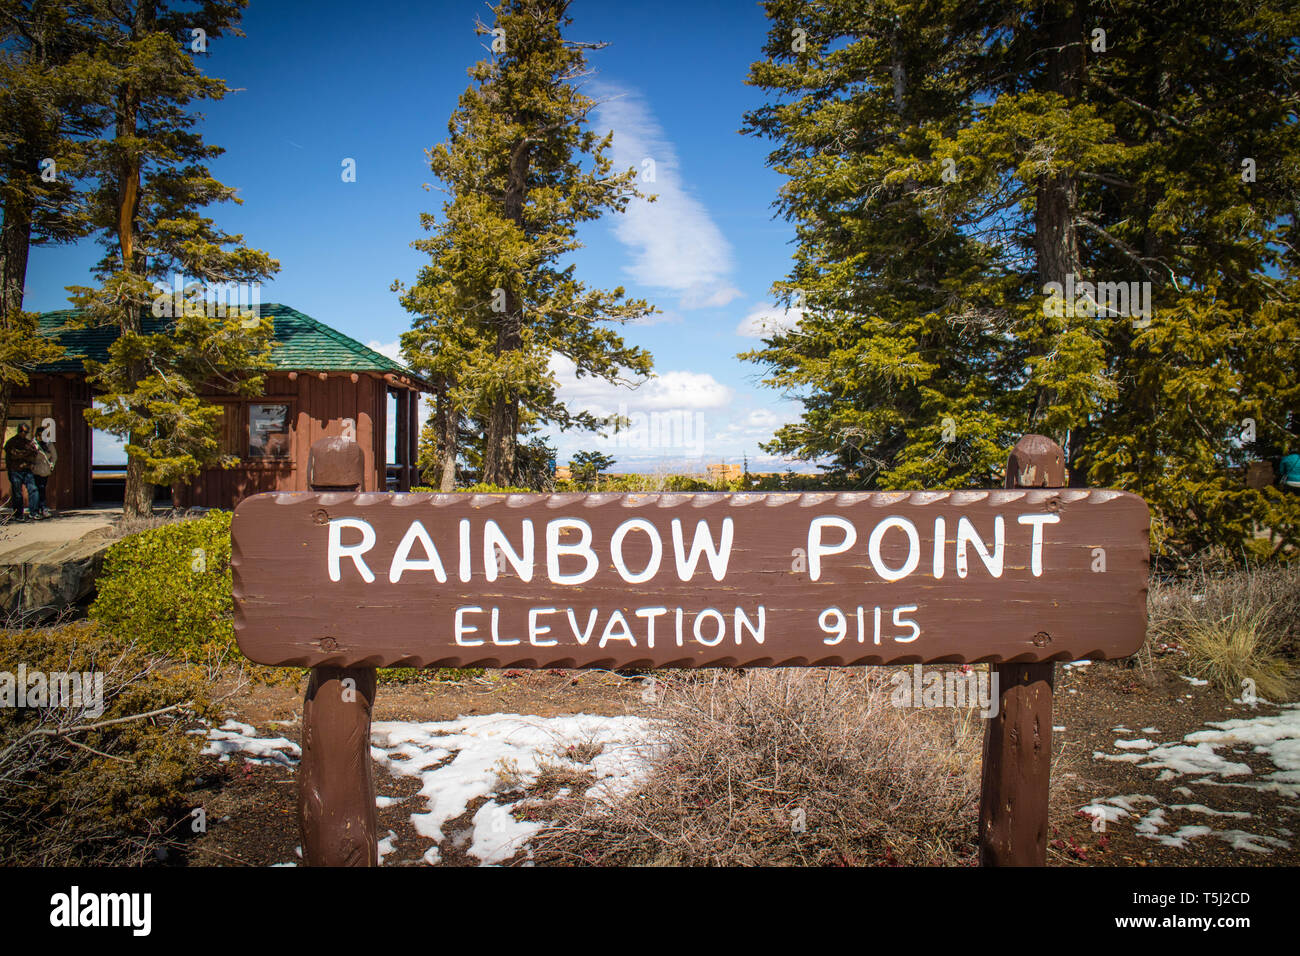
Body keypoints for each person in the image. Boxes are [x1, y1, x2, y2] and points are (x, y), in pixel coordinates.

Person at [4, 423, 42, 521]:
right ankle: (18, 514)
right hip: (15, 470)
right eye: (22, 431)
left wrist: (24, 455)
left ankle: (33, 512)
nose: (23, 434)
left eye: (26, 432)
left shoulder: (28, 443)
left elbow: (34, 454)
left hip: (27, 470)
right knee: (17, 493)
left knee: (33, 489)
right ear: (18, 431)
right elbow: (13, 455)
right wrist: (25, 454)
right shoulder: (11, 442)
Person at [31, 430, 56, 518]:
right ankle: (36, 509)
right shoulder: (33, 444)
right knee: (35, 490)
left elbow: (54, 456)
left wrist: (51, 465)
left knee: (42, 489)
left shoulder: (48, 444)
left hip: (45, 470)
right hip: (35, 470)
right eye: (39, 435)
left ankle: (42, 508)